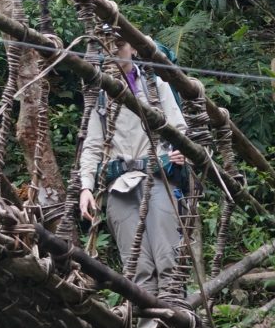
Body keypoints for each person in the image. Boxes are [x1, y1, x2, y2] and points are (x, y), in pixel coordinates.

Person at [77, 37, 190, 298]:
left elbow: (178, 129)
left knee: (168, 257)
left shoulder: (154, 85)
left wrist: (178, 153)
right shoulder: (100, 97)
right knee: (137, 268)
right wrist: (86, 187)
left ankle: (177, 323)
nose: (115, 51)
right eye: (108, 47)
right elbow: (92, 146)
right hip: (119, 185)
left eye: (120, 44)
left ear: (133, 48)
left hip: (158, 176)